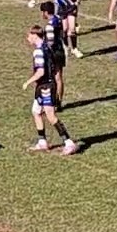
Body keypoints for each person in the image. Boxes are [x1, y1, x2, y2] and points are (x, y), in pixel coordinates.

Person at [23, 26, 78, 155]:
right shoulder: (47, 47)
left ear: (34, 35)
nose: (27, 39)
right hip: (47, 84)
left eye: (28, 36)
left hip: (46, 86)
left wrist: (28, 82)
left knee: (51, 116)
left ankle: (69, 142)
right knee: (36, 111)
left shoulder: (38, 51)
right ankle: (42, 141)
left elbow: (41, 71)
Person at [37, 1, 66, 109]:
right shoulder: (58, 20)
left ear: (45, 12)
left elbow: (50, 42)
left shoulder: (49, 26)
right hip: (60, 50)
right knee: (59, 77)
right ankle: (59, 101)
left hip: (54, 53)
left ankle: (53, 101)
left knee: (53, 78)